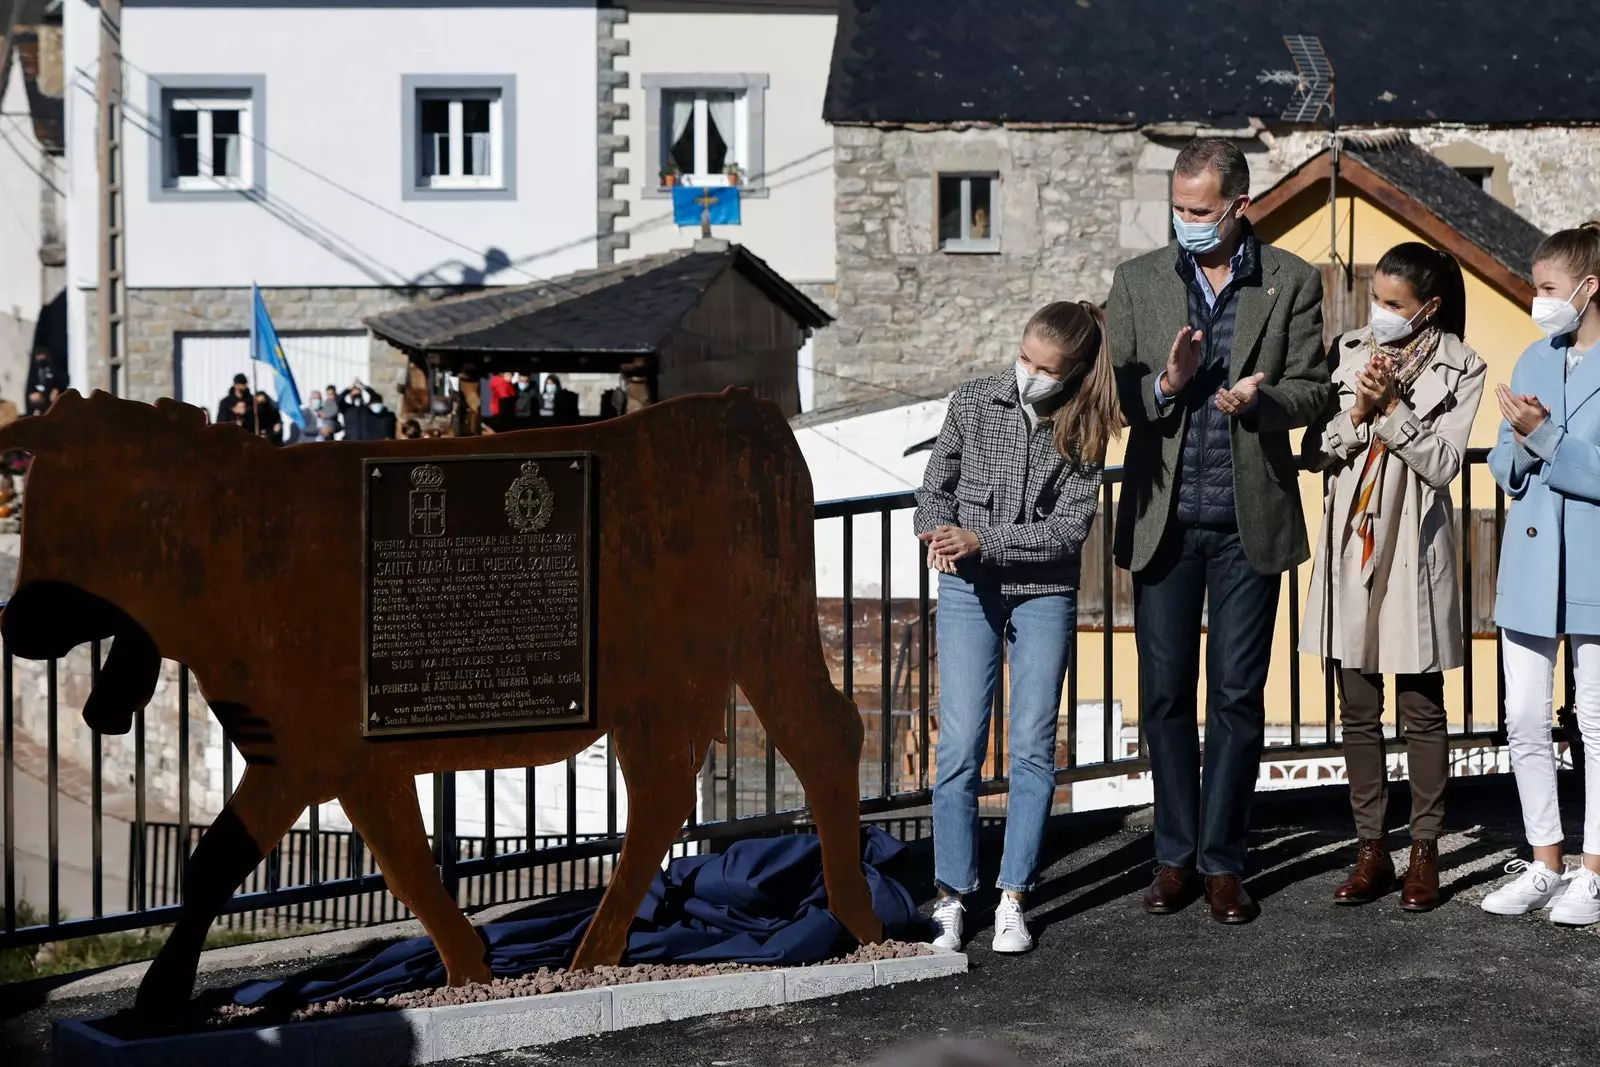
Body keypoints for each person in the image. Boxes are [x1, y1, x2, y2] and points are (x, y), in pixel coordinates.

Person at [1108, 138, 1333, 925]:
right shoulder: (1137, 281)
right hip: (1161, 525)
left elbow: (1314, 392)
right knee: (1165, 697)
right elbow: (1120, 396)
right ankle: (1173, 857)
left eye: (1200, 211)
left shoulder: (1293, 282)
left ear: (1241, 206)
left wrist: (1260, 405)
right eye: (1177, 207)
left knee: (1237, 698)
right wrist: (1169, 384)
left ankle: (1224, 864)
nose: (1186, 222)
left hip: (1249, 523)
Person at [915, 300, 1124, 955]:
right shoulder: (975, 401)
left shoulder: (1086, 427)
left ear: (1074, 372)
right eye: (1025, 358)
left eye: (1044, 367)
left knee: (1034, 746)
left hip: (1043, 592)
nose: (1028, 373)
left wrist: (984, 538)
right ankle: (951, 897)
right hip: (968, 586)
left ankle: (1013, 897)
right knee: (959, 746)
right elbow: (934, 487)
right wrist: (935, 533)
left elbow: (1067, 531)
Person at [1300, 244, 1485, 911]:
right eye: (1375, 297)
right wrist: (1357, 413)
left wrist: (1392, 410)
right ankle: (1371, 848)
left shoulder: (1463, 366)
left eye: (1393, 303)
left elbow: (1442, 462)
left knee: (1422, 706)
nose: (1379, 313)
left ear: (1428, 307)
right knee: (1357, 703)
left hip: (1413, 543)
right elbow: (1315, 449)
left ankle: (1426, 850)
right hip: (1353, 540)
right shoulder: (1347, 352)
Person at [1484, 221, 1600, 926]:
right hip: (1530, 564)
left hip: (1592, 559)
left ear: (1590, 288)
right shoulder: (1533, 356)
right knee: (1523, 715)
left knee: (1596, 716)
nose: (1539, 300)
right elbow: (1502, 464)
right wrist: (1524, 441)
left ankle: (1594, 868)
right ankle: (1545, 858)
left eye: (1550, 289)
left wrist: (1545, 435)